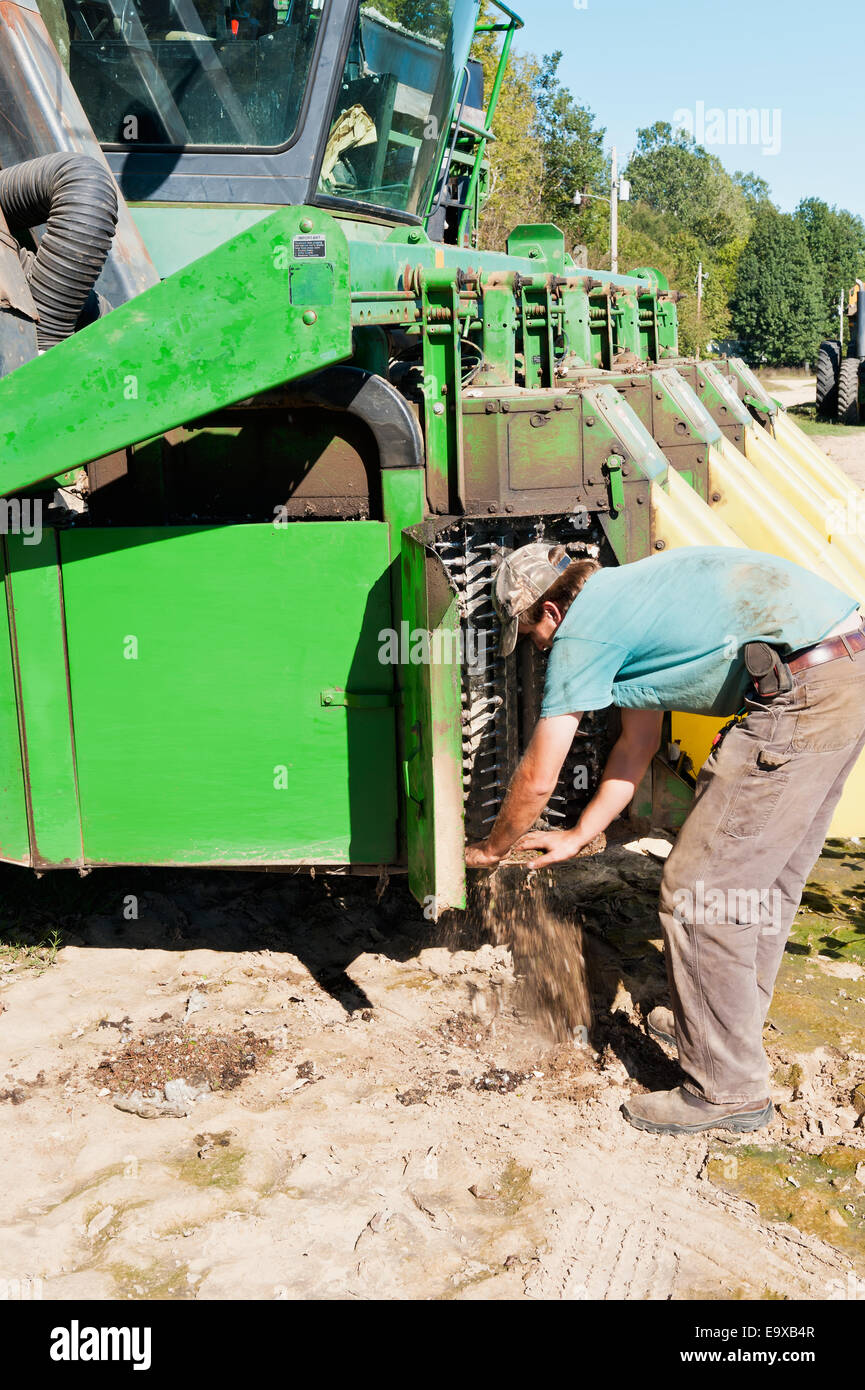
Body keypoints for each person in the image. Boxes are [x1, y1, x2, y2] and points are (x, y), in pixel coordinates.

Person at [465, 543, 865, 1136]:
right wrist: (579, 833)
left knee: (699, 894)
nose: (540, 650)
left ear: (549, 613)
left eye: (532, 636)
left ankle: (727, 1091)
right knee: (761, 882)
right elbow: (636, 746)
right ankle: (726, 1032)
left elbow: (539, 773)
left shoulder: (583, 631)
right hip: (844, 670)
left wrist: (489, 850)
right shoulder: (631, 600)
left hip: (800, 693)